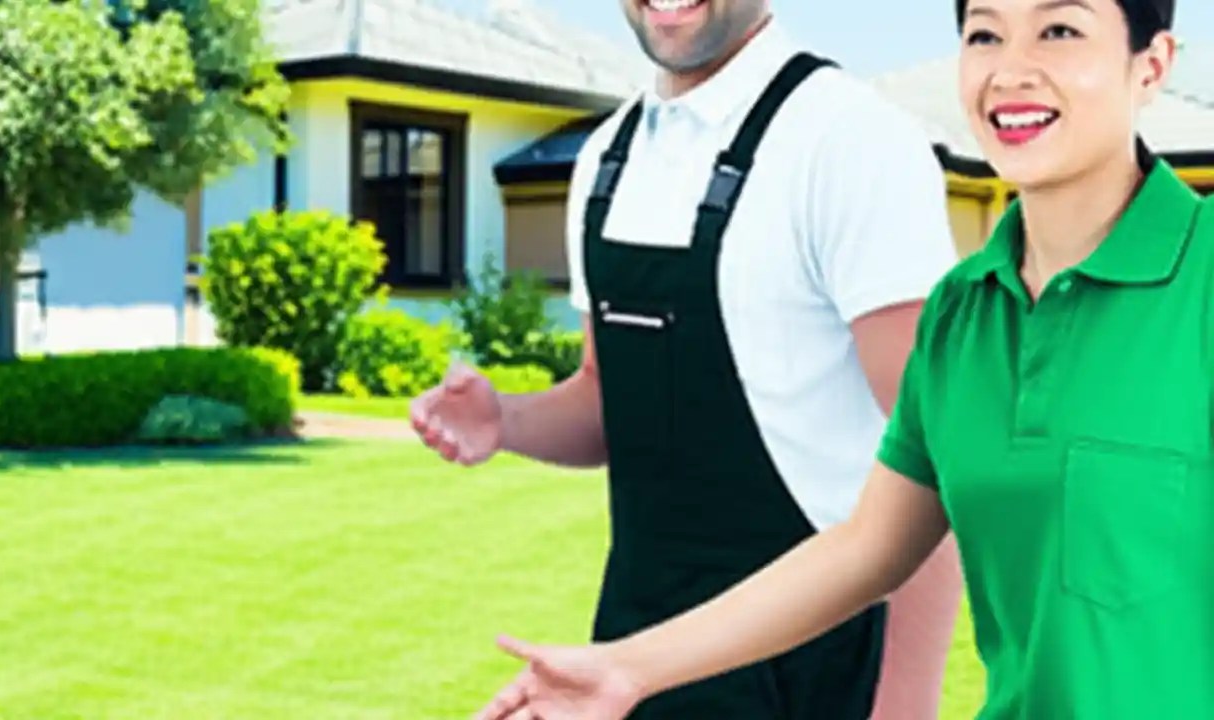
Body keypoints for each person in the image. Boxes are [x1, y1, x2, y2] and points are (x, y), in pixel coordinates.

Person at [473, 0, 1214, 718]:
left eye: (1059, 30)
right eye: (985, 35)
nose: (1012, 70)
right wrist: (622, 672)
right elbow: (871, 548)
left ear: (1151, 66)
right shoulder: (963, 311)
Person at [411, 1, 966, 717]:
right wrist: (505, 420)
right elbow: (607, 400)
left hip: (815, 680)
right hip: (628, 665)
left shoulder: (848, 140)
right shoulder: (607, 157)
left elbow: (935, 460)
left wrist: (903, 708)